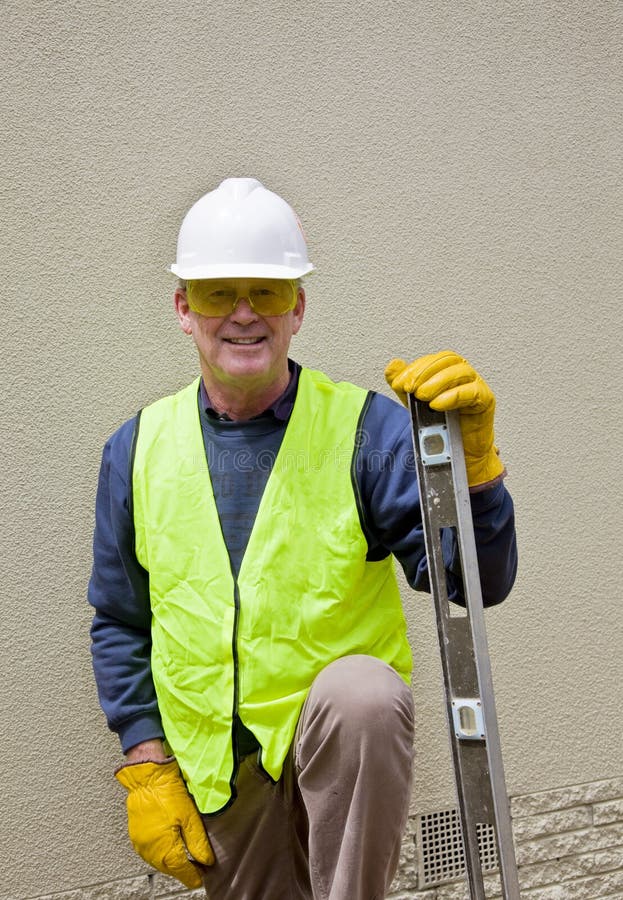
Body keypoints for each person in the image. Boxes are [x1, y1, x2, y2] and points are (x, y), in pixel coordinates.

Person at [88, 177, 517, 900]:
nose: (246, 314)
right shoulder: (136, 448)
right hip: (221, 767)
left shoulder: (366, 432)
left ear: (299, 308)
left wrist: (470, 475)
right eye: (220, 293)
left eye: (269, 291)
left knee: (364, 694)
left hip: (337, 747)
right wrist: (146, 762)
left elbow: (470, 578)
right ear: (183, 309)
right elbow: (121, 619)